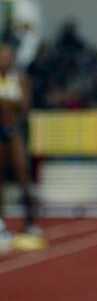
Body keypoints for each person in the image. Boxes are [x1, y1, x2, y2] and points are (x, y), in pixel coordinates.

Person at [0, 43, 44, 252]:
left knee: (22, 173)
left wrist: (7, 102)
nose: (3, 61)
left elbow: (24, 106)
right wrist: (9, 101)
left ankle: (30, 222)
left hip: (14, 131)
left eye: (7, 57)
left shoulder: (20, 79)